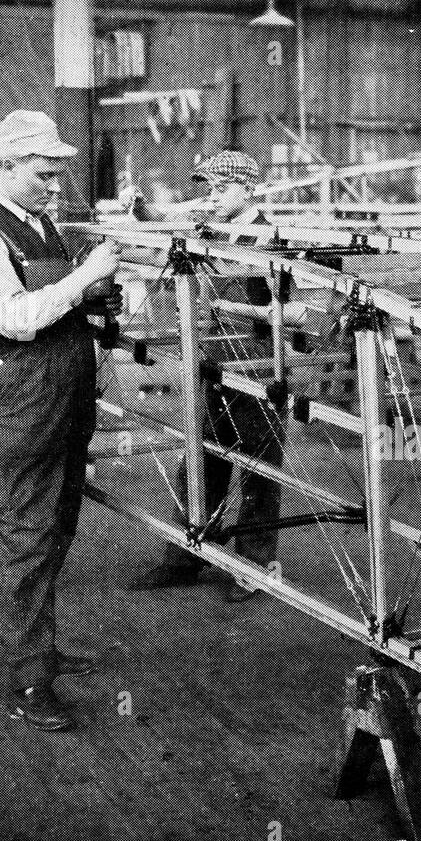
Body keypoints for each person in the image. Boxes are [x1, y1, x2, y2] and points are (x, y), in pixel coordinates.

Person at [0, 110, 122, 732]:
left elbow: (66, 304)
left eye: (57, 175)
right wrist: (85, 278)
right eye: (44, 174)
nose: (55, 186)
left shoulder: (39, 221)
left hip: (66, 396)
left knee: (59, 528)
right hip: (22, 401)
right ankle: (29, 678)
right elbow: (14, 318)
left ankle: (39, 644)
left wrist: (94, 303)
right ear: (10, 166)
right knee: (28, 536)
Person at [130, 150, 282, 602]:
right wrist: (146, 210)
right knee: (201, 457)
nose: (213, 197)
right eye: (209, 189)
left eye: (223, 189)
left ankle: (253, 566)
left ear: (249, 189)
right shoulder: (213, 232)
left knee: (258, 470)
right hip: (213, 359)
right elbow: (156, 222)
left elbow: (290, 313)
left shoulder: (269, 238)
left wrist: (229, 308)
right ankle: (188, 553)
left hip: (257, 363)